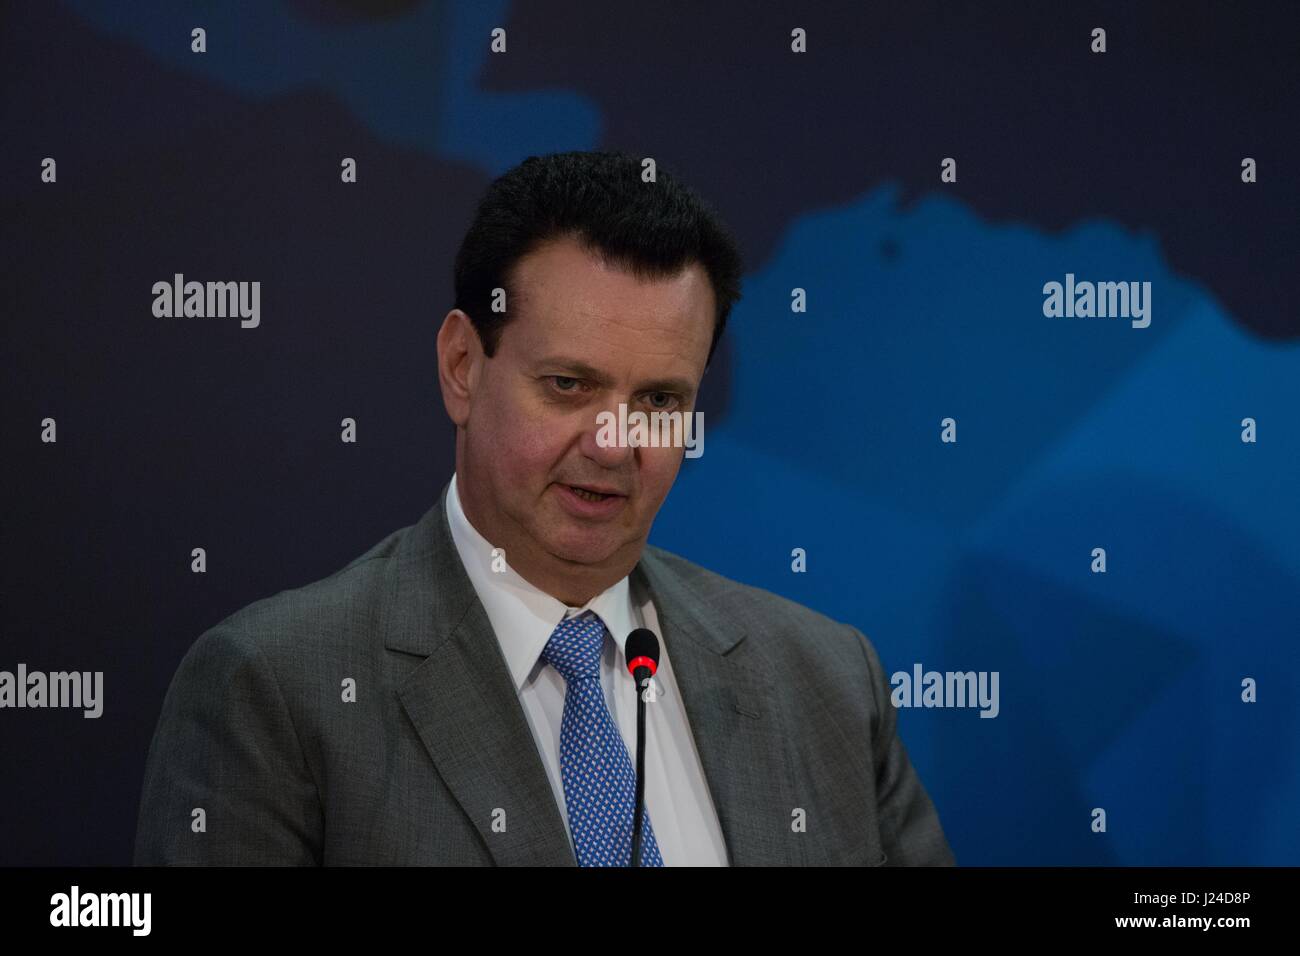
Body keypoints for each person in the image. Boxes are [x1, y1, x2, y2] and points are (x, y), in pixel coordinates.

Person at [134, 150, 955, 866]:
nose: (614, 443)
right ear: (463, 366)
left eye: (660, 400)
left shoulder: (826, 680)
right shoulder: (276, 688)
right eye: (569, 385)